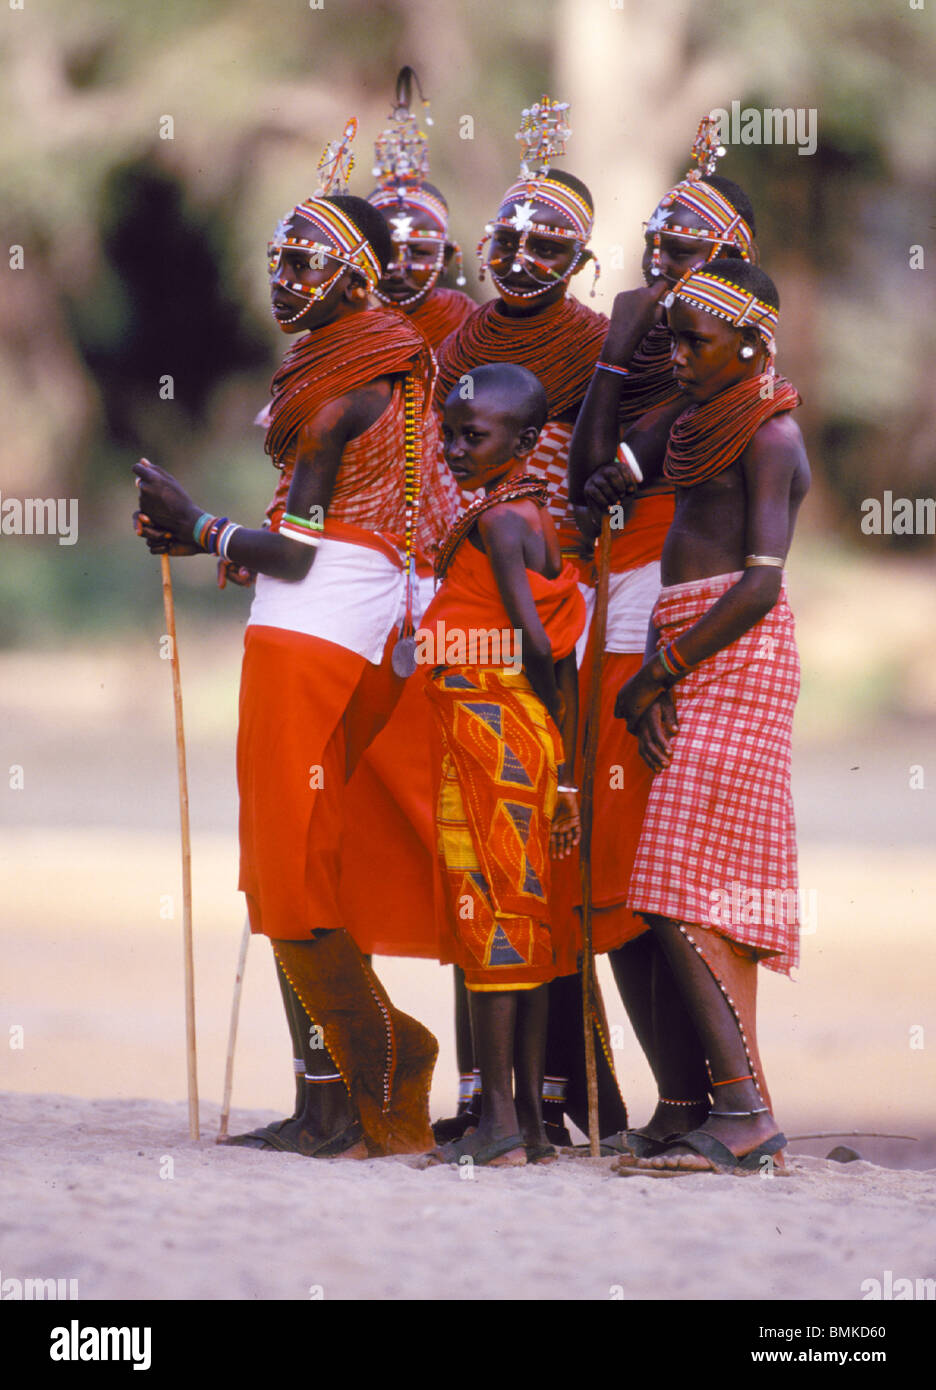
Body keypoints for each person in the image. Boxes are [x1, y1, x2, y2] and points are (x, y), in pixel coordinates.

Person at [132, 122, 440, 1158]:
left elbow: (305, 552)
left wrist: (202, 526)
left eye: (306, 262)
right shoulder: (362, 368)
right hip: (334, 624)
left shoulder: (353, 385)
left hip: (314, 627)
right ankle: (328, 1100)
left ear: (358, 281)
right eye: (278, 258)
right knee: (291, 861)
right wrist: (206, 539)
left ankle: (383, 1067)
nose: (283, 277)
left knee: (287, 864)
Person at [568, 118, 765, 1157]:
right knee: (613, 877)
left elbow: (618, 474)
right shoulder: (658, 367)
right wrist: (618, 342)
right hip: (616, 610)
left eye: (686, 247)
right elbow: (583, 474)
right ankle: (679, 1103)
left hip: (676, 626)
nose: (662, 259)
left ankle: (725, 1101)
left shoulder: (718, 397)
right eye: (656, 239)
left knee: (667, 867)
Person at [433, 97, 627, 1145]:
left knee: (520, 886)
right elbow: (438, 463)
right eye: (505, 236)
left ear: (582, 259)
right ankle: (490, 1099)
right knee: (481, 884)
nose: (520, 254)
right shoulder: (460, 346)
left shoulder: (599, 350)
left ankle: (544, 1102)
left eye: (548, 242)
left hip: (534, 620)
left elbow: (592, 490)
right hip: (472, 600)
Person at [611, 257, 809, 1174]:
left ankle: (745, 1116)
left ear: (752, 345)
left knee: (675, 886)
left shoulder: (774, 440)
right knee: (673, 888)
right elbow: (598, 474)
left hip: (734, 655)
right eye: (677, 338)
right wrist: (624, 343)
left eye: (696, 340)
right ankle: (720, 1110)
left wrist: (659, 672)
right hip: (688, 644)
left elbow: (762, 586)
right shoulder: (694, 422)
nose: (679, 354)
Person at [418, 364, 585, 1165]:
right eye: (448, 432)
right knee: (524, 911)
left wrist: (539, 719)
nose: (453, 447)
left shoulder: (498, 522)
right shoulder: (533, 515)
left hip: (494, 729)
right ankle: (520, 1125)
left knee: (487, 909)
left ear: (522, 444)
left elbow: (535, 639)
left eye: (470, 435)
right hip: (519, 731)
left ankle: (498, 1127)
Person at [367, 66, 475, 348]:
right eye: (383, 253)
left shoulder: (472, 329)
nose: (397, 268)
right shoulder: (345, 332)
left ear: (446, 258)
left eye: (418, 252)